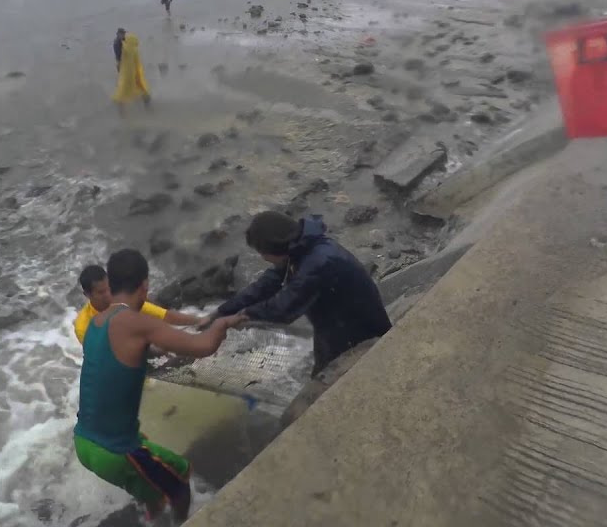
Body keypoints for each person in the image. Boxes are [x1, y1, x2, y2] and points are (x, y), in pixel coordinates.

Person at [74, 249, 246, 522]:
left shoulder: (94, 323)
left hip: (83, 441)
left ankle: (152, 513)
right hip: (116, 451)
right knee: (180, 476)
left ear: (113, 284)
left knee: (152, 489)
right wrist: (223, 322)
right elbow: (203, 346)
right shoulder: (136, 322)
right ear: (145, 285)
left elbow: (120, 355)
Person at [198, 212, 391, 376]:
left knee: (335, 379)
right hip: (331, 320)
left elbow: (283, 309)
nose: (262, 258)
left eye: (261, 252)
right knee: (322, 367)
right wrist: (220, 313)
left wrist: (240, 317)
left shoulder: (320, 263)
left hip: (356, 327)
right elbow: (265, 285)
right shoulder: (299, 249)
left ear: (274, 248)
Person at [73, 264, 200, 345]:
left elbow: (165, 316)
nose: (108, 294)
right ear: (87, 295)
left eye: (109, 287)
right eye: (101, 292)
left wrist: (201, 320)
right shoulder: (83, 327)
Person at [112, 31, 152, 114]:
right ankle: (123, 110)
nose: (123, 35)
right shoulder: (121, 45)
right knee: (129, 90)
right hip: (128, 73)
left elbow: (124, 60)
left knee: (126, 91)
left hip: (129, 73)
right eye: (122, 34)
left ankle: (124, 110)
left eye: (124, 34)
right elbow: (120, 58)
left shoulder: (127, 46)